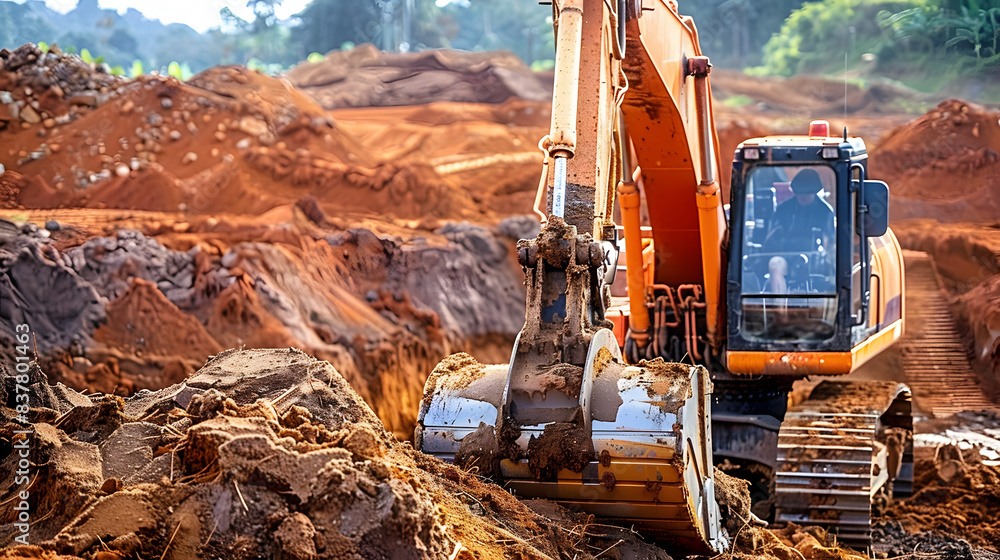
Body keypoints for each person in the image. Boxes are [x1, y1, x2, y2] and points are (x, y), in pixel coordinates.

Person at [764, 168, 835, 253]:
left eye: (807, 193)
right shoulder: (783, 209)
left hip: (814, 258)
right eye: (800, 193)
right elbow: (772, 238)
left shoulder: (825, 212)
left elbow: (830, 241)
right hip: (786, 255)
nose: (803, 196)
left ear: (814, 192)